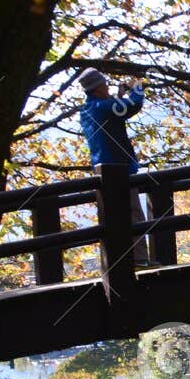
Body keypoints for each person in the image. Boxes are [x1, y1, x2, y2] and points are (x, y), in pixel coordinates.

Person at [79, 68, 153, 265]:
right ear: (97, 88)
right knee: (133, 214)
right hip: (119, 169)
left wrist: (118, 97)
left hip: (102, 171)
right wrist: (137, 88)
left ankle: (119, 261)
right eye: (104, 85)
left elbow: (112, 116)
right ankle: (140, 259)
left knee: (113, 218)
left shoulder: (87, 110)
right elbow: (132, 105)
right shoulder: (103, 107)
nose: (107, 88)